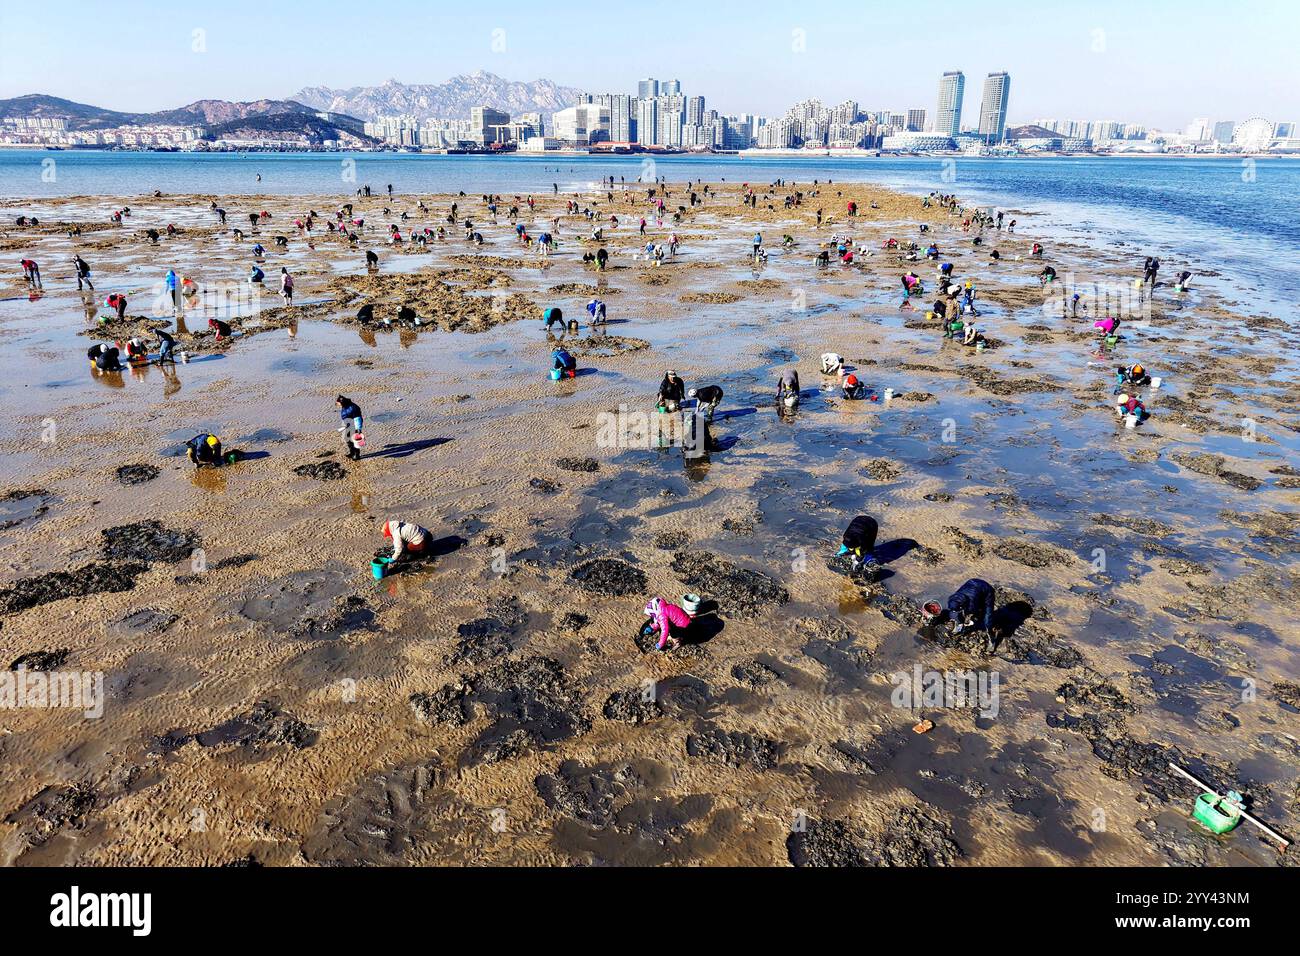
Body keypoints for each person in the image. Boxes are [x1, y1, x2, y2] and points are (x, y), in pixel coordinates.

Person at [928, 578, 997, 644]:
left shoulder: (971, 604)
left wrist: (966, 622)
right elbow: (953, 610)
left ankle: (991, 636)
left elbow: (971, 614)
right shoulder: (953, 598)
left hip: (987, 590)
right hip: (972, 582)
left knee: (987, 615)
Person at [336, 395, 364, 460]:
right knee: (347, 439)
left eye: (338, 402)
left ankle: (357, 455)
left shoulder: (353, 408)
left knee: (355, 441)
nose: (337, 404)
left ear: (342, 402)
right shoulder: (345, 406)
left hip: (354, 427)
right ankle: (352, 452)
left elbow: (357, 419)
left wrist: (358, 429)